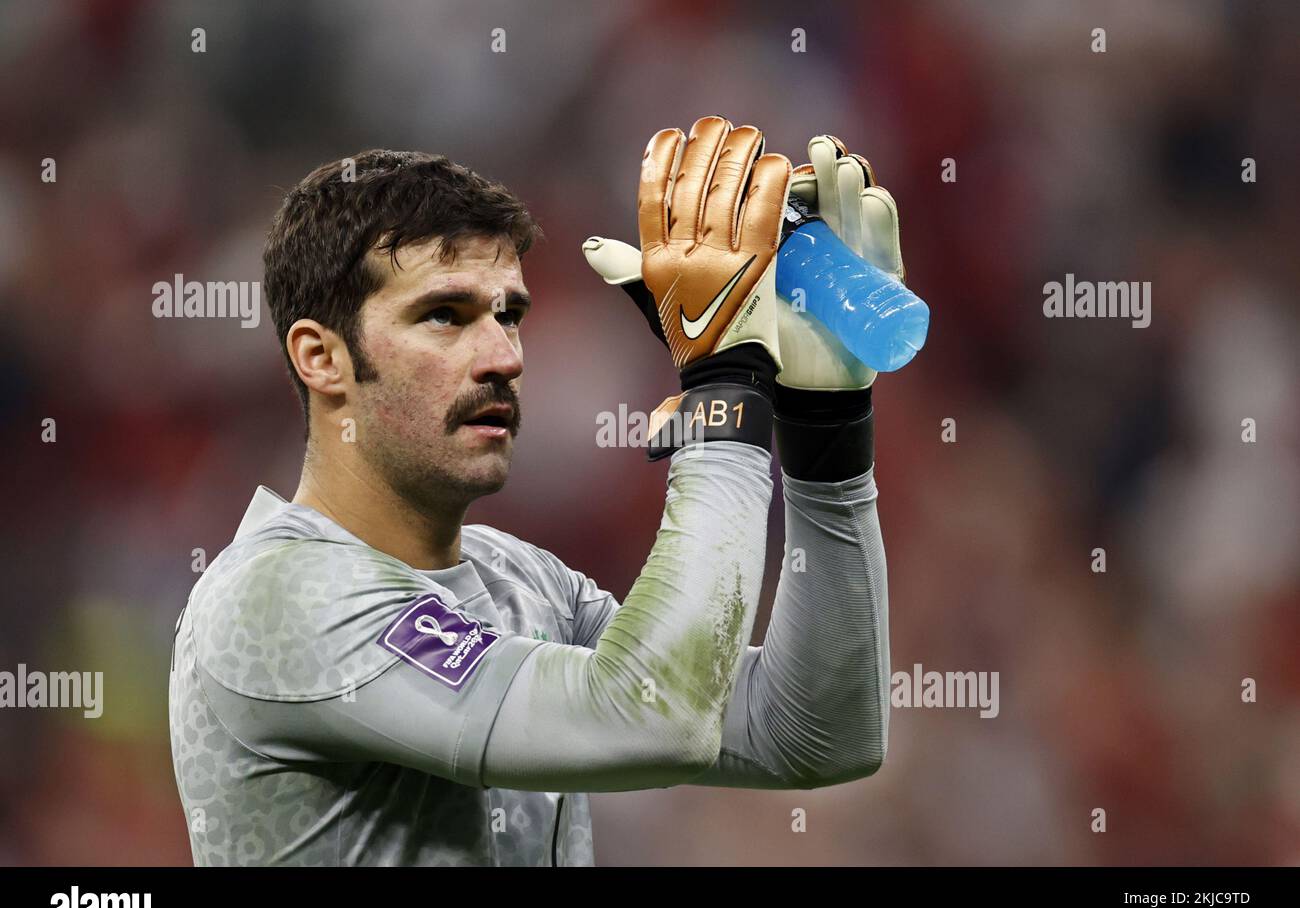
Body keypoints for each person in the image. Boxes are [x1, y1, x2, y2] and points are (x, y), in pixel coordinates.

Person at [168, 115, 896, 865]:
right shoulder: (279, 597)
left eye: (509, 315)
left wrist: (824, 430)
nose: (503, 357)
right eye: (445, 315)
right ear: (322, 358)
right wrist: (722, 385)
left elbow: (815, 733)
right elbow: (656, 720)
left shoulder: (523, 581)